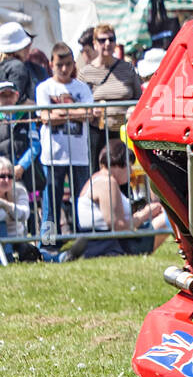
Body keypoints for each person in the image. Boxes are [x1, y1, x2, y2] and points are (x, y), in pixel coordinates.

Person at [34, 43, 95, 243]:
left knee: (82, 200)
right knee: (51, 201)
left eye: (68, 64)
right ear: (51, 64)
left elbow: (89, 114)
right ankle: (49, 242)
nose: (64, 69)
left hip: (79, 154)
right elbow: (45, 117)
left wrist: (59, 112)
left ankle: (83, 241)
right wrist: (75, 113)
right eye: (59, 64)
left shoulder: (82, 88)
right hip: (52, 155)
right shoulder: (43, 88)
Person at [75, 140, 167, 258]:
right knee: (168, 219)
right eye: (129, 166)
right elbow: (118, 226)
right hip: (109, 245)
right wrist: (145, 214)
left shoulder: (101, 180)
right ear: (119, 164)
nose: (131, 172)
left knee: (165, 217)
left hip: (106, 242)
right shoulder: (107, 183)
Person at [79, 23, 142, 149]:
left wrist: (133, 109)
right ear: (95, 43)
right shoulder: (85, 73)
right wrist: (90, 111)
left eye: (111, 39)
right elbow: (79, 104)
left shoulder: (128, 68)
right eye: (102, 40)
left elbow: (140, 99)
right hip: (98, 133)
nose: (107, 43)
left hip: (124, 131)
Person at [0, 154, 31, 261]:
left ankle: (64, 257)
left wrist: (5, 205)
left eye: (10, 176)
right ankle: (8, 258)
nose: (7, 180)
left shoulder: (19, 191)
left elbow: (24, 214)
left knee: (34, 254)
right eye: (2, 176)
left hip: (17, 241)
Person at [0, 22, 39, 102]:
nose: (29, 48)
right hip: (19, 114)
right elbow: (15, 100)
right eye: (26, 46)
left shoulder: (4, 66)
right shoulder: (17, 66)